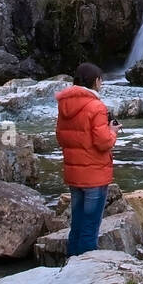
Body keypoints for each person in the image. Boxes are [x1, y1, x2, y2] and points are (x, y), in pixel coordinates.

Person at [55, 62, 120, 257]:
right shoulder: (96, 106)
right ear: (95, 81)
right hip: (94, 175)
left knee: (77, 223)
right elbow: (103, 142)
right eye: (100, 79)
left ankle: (70, 262)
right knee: (90, 227)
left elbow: (61, 137)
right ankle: (85, 268)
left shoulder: (64, 104)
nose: (102, 83)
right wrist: (113, 131)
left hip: (74, 173)